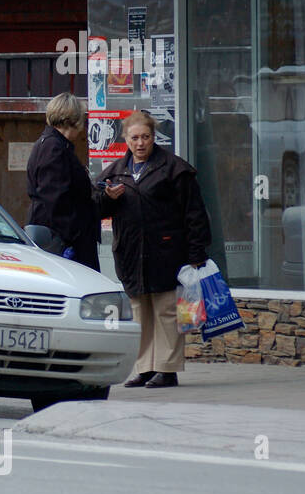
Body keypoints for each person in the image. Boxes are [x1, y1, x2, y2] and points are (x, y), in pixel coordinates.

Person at [96, 110, 211, 389]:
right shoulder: (115, 172)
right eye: (134, 138)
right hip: (131, 253)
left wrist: (196, 254)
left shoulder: (175, 169)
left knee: (166, 311)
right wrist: (106, 198)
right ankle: (146, 368)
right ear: (125, 138)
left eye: (145, 137)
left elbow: (195, 214)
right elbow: (95, 207)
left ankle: (167, 369)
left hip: (167, 253)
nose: (140, 143)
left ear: (153, 137)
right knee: (140, 312)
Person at [26, 92, 100, 271]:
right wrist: (75, 237)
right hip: (61, 241)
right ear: (73, 119)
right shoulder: (54, 148)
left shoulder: (51, 144)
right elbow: (56, 199)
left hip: (55, 234)